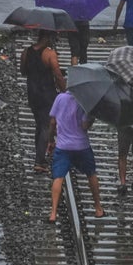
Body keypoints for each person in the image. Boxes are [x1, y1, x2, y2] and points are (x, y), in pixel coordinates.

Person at [46, 91, 105, 221]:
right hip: (81, 146)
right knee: (91, 174)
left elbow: (52, 123)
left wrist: (51, 140)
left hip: (63, 146)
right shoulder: (85, 102)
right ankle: (98, 208)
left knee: (58, 177)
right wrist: (92, 117)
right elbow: (84, 126)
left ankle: (53, 213)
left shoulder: (60, 98)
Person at [20, 31, 65, 172]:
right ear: (48, 38)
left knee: (39, 125)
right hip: (47, 94)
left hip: (32, 93)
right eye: (53, 39)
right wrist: (65, 91)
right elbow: (58, 75)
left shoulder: (26, 52)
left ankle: (39, 157)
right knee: (46, 125)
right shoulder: (50, 54)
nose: (54, 42)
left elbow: (23, 71)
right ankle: (39, 161)